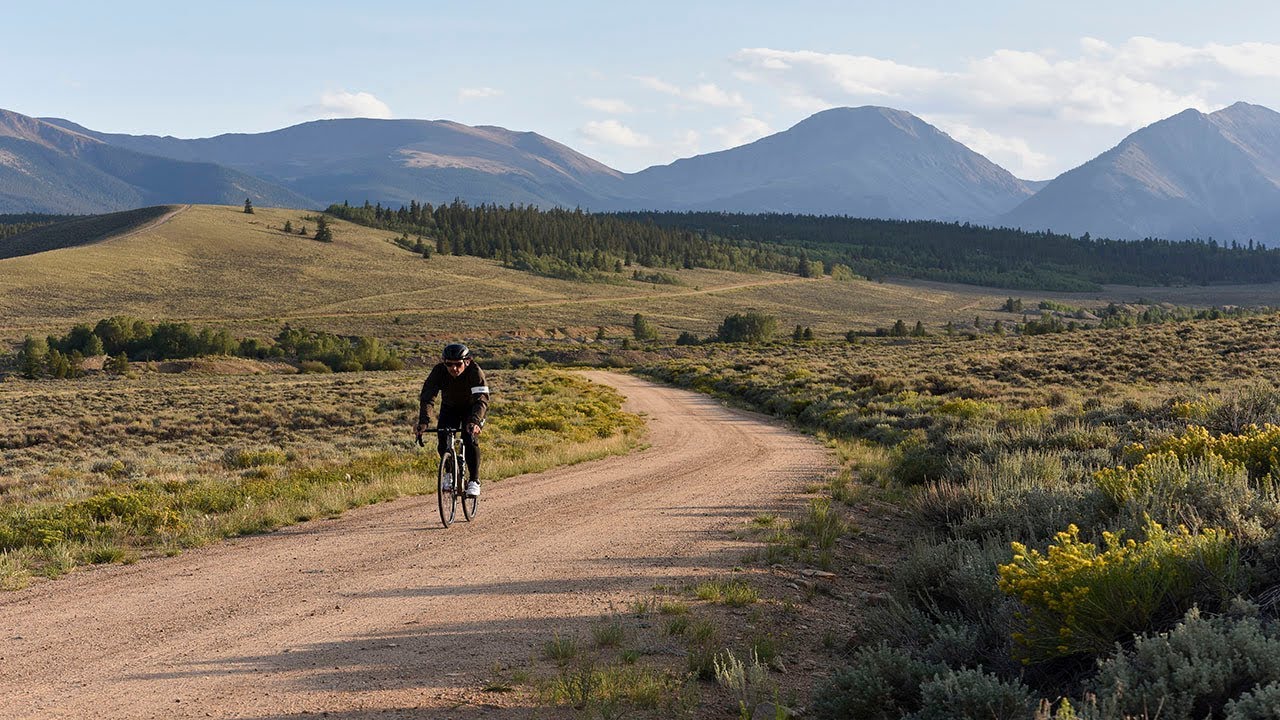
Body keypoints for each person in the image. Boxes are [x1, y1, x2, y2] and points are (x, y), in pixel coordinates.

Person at [415, 343, 489, 497]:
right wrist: (423, 422)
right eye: (449, 364)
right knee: (443, 439)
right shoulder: (439, 371)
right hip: (450, 408)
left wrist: (475, 421)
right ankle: (449, 472)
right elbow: (428, 398)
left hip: (472, 408)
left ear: (467, 362)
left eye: (458, 364)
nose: (454, 368)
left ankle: (474, 480)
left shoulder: (475, 372)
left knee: (469, 439)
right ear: (444, 362)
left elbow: (481, 400)